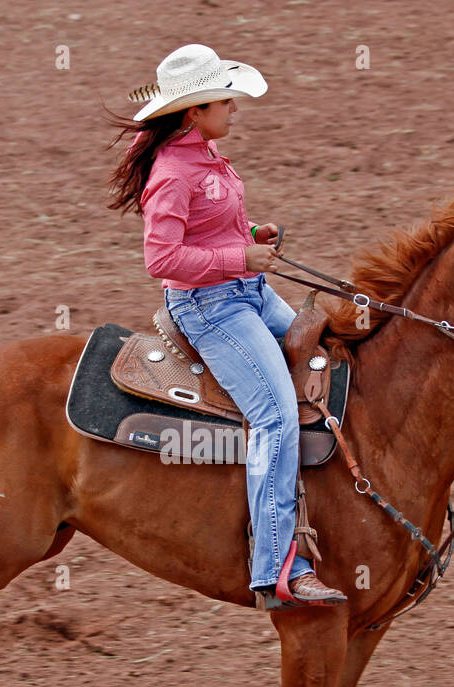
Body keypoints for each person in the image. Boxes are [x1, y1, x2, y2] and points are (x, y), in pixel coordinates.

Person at [106, 44, 345, 607]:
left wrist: (252, 235)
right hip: (211, 309)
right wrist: (238, 259)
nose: (235, 107)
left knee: (329, 359)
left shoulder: (207, 154)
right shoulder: (171, 172)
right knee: (275, 415)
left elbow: (208, 227)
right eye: (225, 100)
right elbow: (161, 261)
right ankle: (277, 567)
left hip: (250, 293)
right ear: (195, 111)